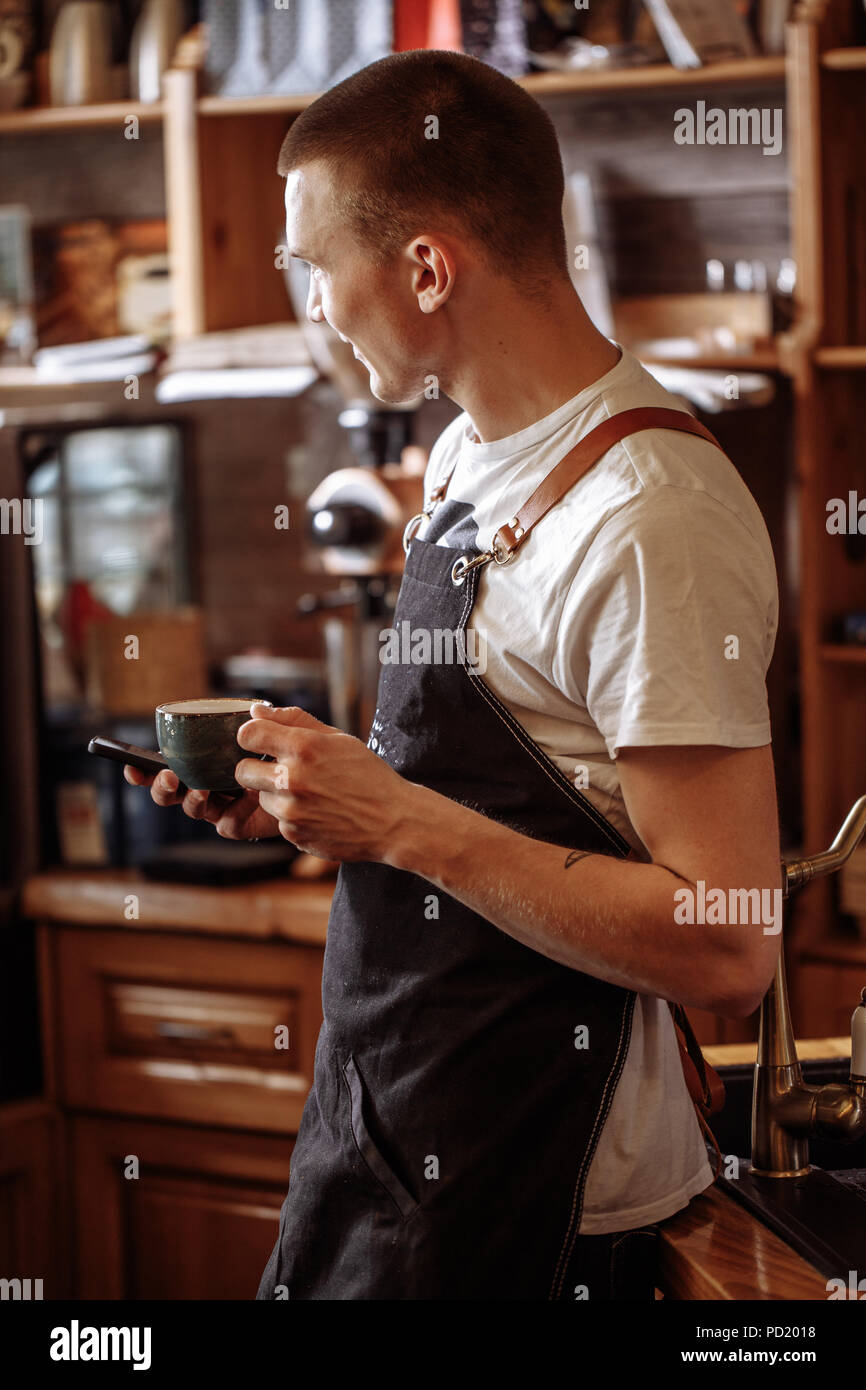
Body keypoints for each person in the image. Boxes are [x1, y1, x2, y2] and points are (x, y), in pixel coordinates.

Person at [127, 50, 782, 1301]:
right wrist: (315, 795)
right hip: (386, 1131)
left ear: (425, 266)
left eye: (317, 266)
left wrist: (398, 819)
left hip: (541, 1205)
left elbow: (729, 944)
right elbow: (471, 796)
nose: (316, 304)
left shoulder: (649, 519)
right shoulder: (464, 457)